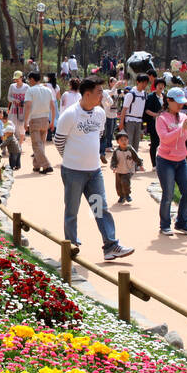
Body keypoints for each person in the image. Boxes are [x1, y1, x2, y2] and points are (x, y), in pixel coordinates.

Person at [53, 77, 135, 262]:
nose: (102, 95)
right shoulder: (70, 115)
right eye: (99, 92)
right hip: (73, 172)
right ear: (87, 94)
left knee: (100, 209)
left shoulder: (100, 113)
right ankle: (71, 246)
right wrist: (71, 158)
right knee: (72, 210)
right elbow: (59, 141)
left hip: (94, 172)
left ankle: (110, 246)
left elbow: (98, 136)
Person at [155, 87, 187, 236]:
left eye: (182, 103)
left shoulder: (183, 117)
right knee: (168, 194)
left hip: (181, 160)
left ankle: (182, 223)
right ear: (169, 101)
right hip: (165, 160)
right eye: (178, 103)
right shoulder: (161, 118)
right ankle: (165, 224)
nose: (181, 106)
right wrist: (181, 129)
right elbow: (165, 138)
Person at [22, 71, 56, 173]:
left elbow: (28, 107)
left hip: (35, 120)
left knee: (36, 145)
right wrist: (53, 121)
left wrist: (25, 121)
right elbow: (53, 107)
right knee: (40, 144)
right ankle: (36, 165)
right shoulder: (48, 90)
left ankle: (46, 166)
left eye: (29, 79)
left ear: (32, 79)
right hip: (45, 120)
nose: (28, 81)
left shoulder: (30, 90)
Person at [110, 129, 144, 203]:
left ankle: (127, 195)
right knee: (118, 185)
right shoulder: (116, 151)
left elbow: (136, 157)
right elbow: (113, 160)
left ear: (128, 140)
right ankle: (121, 196)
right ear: (117, 142)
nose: (124, 142)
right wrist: (114, 167)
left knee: (125, 182)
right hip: (119, 170)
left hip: (128, 170)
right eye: (121, 140)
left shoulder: (130, 150)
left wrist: (140, 164)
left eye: (125, 140)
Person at [119, 74, 150, 152]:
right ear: (137, 82)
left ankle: (134, 162)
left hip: (139, 121)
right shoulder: (131, 94)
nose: (144, 85)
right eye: (142, 83)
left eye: (146, 83)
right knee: (128, 143)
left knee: (136, 143)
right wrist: (121, 123)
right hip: (130, 121)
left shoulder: (144, 94)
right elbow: (124, 109)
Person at [142, 79, 167, 166]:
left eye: (163, 85)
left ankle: (162, 162)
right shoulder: (151, 96)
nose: (161, 86)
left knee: (163, 143)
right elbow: (147, 110)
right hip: (153, 123)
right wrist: (156, 115)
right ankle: (154, 164)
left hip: (164, 123)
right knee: (154, 143)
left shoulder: (164, 96)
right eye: (159, 85)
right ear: (155, 86)